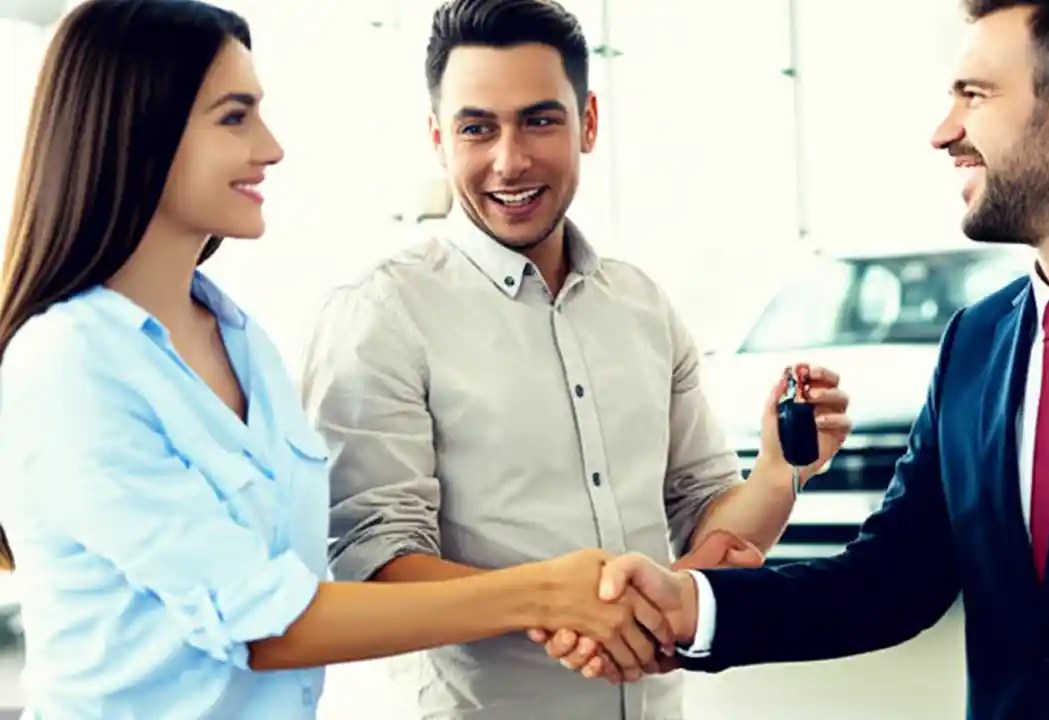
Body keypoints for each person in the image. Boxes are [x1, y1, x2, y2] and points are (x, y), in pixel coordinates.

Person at [579, 1, 1049, 718]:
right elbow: (890, 581)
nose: (944, 131)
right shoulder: (975, 343)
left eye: (974, 94)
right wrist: (692, 606)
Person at [0, 2, 675, 718]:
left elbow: (305, 590)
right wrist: (544, 593)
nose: (271, 147)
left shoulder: (241, 340)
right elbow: (265, 621)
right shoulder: (67, 365)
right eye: (236, 116)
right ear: (139, 132)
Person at [298, 0, 851, 716]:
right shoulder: (380, 315)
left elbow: (709, 528)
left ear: (587, 122)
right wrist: (562, 608)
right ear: (438, 138)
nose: (510, 159)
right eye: (476, 128)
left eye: (539, 120)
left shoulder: (642, 307)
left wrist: (780, 473)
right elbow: (372, 566)